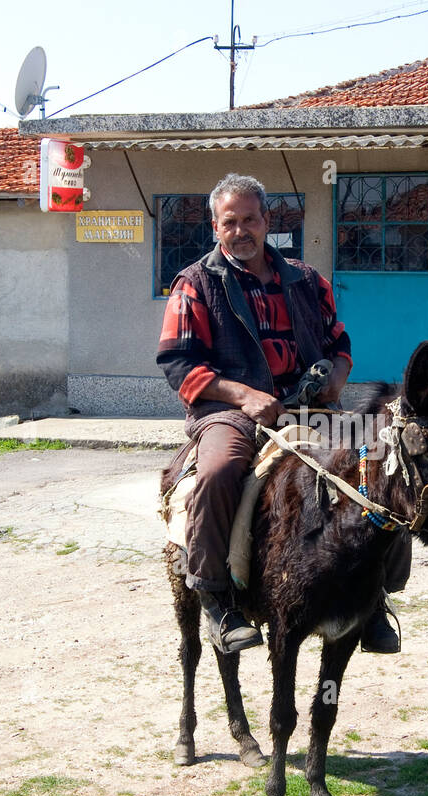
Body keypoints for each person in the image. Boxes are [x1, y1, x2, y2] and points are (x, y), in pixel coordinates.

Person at [157, 172, 408, 655]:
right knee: (218, 470)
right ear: (215, 226)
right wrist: (243, 396)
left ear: (267, 220)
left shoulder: (307, 280)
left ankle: (375, 598)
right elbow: (177, 363)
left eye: (250, 219)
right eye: (230, 222)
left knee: (382, 458)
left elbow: (339, 341)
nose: (241, 230)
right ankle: (218, 599)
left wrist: (337, 374)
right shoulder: (195, 284)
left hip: (311, 407)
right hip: (228, 413)